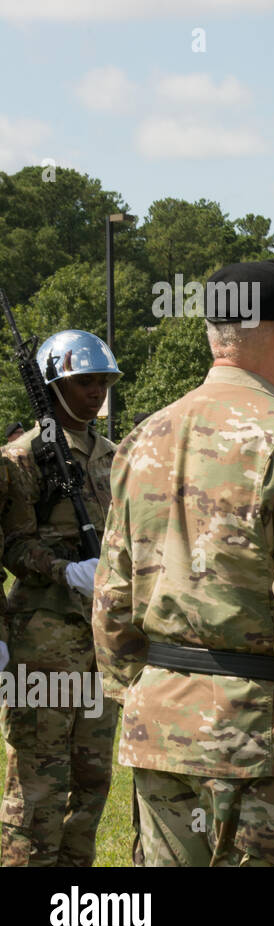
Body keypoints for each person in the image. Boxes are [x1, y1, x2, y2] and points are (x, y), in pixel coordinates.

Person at [93, 258, 274, 866]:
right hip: (257, 739)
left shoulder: (143, 437)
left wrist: (142, 696)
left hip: (160, 726)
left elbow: (111, 597)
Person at [1, 331, 119, 867]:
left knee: (91, 783)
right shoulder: (23, 458)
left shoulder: (114, 456)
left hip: (100, 643)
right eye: (83, 382)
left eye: (101, 382)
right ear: (55, 386)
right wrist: (63, 569)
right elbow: (12, 542)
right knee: (37, 788)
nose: (95, 392)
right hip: (42, 644)